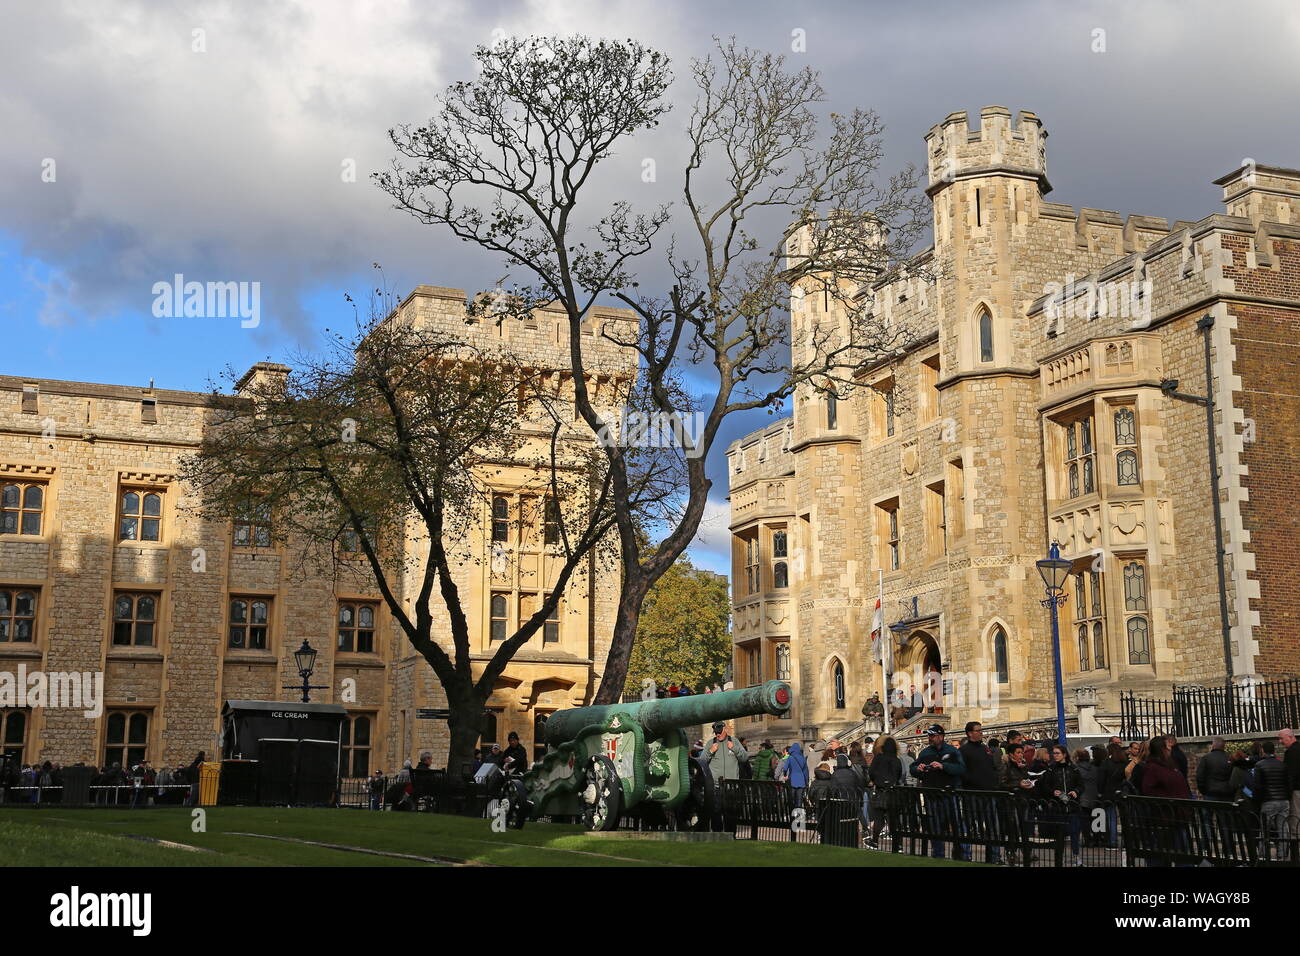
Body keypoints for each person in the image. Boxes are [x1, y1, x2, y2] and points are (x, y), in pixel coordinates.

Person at [911, 724, 967, 859]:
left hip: (949, 794)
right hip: (932, 794)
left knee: (956, 826)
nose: (929, 738)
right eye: (929, 735)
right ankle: (938, 855)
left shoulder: (953, 751)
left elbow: (961, 768)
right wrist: (918, 769)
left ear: (941, 736)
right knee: (934, 827)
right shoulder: (925, 752)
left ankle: (961, 854)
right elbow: (912, 768)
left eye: (932, 735)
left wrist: (943, 766)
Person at [1253, 740, 1291, 859]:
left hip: (1268, 801)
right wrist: (1287, 797)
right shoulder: (1283, 764)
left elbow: (1257, 786)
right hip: (1283, 800)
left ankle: (1264, 855)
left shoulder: (1259, 765)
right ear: (1274, 751)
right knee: (1283, 830)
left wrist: (1258, 801)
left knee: (1265, 831)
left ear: (1263, 751)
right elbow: (1288, 783)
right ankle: (1282, 855)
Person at [865, 735, 902, 848]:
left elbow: (871, 772)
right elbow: (899, 774)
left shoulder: (879, 758)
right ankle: (898, 844)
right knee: (893, 820)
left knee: (879, 819)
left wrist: (876, 780)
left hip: (881, 791)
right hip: (893, 791)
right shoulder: (896, 760)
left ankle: (875, 841)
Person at [1196, 736, 1234, 801]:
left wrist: (1203, 791)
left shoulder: (1206, 758)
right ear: (1224, 746)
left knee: (1211, 810)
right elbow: (1234, 776)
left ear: (1213, 746)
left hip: (1210, 793)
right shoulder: (1230, 758)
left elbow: (1199, 776)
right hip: (1226, 793)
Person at [782, 742, 809, 806]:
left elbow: (785, 768)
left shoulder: (790, 758)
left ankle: (792, 812)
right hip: (802, 781)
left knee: (792, 799)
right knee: (799, 800)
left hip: (792, 780)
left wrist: (785, 775)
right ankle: (798, 813)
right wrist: (806, 782)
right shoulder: (803, 758)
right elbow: (805, 772)